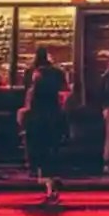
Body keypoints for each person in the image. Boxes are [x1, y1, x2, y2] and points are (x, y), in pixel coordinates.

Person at [23, 64, 67, 201]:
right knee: (49, 158)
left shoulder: (35, 96)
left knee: (42, 160)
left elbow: (29, 113)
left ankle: (48, 185)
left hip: (39, 130)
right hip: (50, 131)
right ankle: (51, 185)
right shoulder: (53, 99)